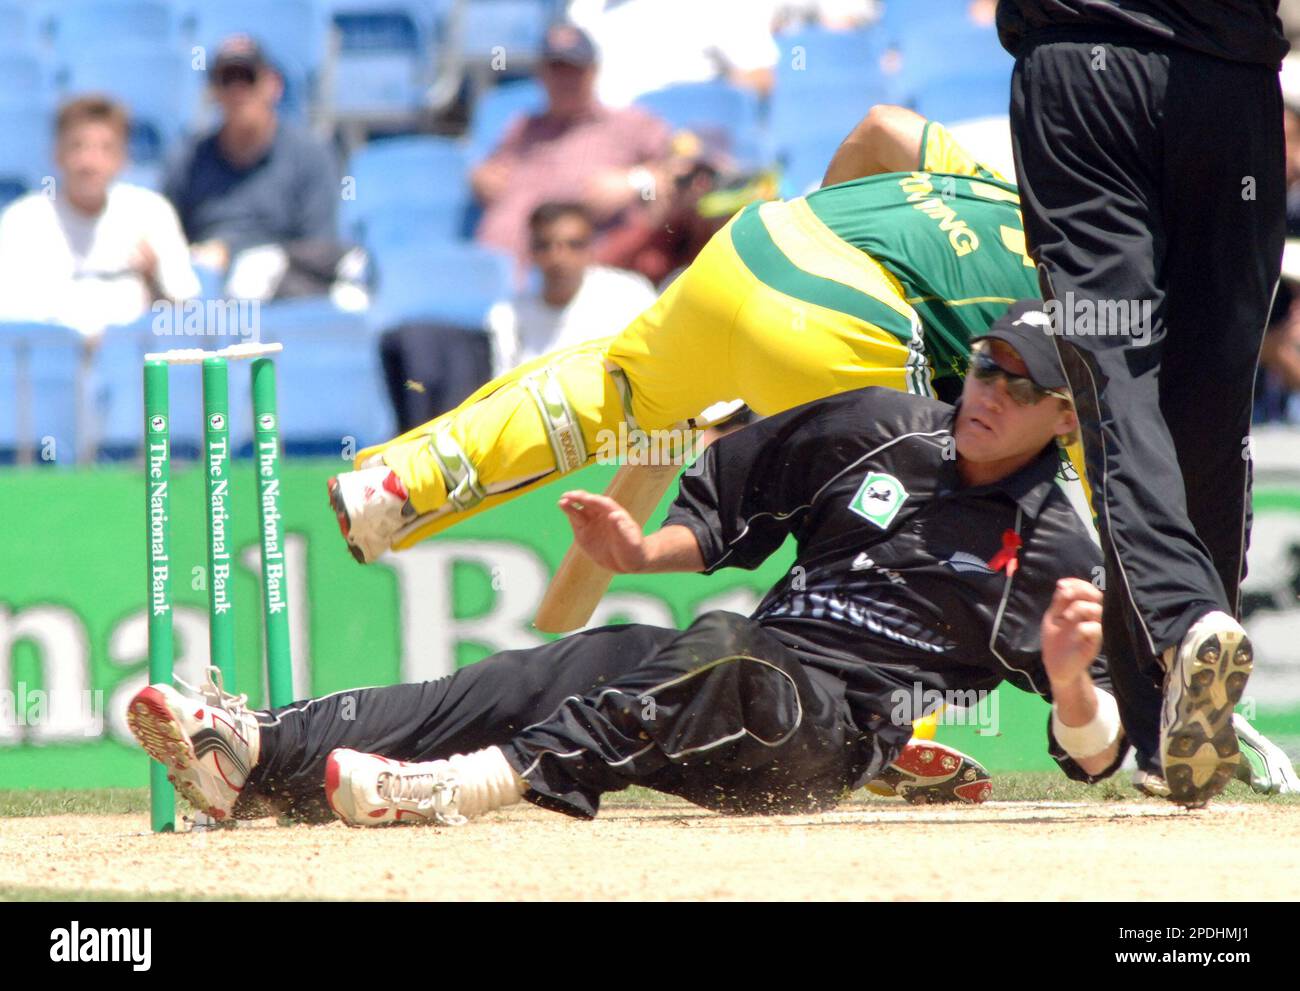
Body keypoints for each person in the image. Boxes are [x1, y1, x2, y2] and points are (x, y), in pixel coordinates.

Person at [127, 308, 1125, 826]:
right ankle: (256, 756)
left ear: (1065, 416)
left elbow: (1096, 751)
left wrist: (1073, 681)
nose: (986, 388)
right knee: (552, 667)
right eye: (984, 364)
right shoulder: (881, 428)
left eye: (1017, 382)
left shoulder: (1051, 548)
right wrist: (641, 550)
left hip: (828, 739)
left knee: (723, 653)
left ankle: (460, 789)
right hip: (728, 679)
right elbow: (732, 504)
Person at [326, 107, 1048, 566]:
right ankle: (880, 716)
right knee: (926, 499)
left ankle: (395, 484)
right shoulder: (1080, 304)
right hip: (848, 316)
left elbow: (879, 127)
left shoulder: (992, 189)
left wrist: (814, 247)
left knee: (615, 389)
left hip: (756, 247)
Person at [997, 0, 1287, 807]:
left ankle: (1186, 621)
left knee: (1118, 378)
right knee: (1209, 403)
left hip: (1082, 69)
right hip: (1231, 80)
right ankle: (1169, 721)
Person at [470, 23, 672, 271]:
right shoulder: (523, 126)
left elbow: (678, 173)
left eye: (574, 69)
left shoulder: (628, 124)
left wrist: (635, 181)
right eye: (556, 69)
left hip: (578, 277)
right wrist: (480, 177)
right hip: (501, 274)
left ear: (593, 71)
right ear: (541, 74)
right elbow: (490, 172)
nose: (565, 80)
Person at [0, 96, 199, 338]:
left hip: (134, 363)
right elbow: (11, 327)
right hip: (53, 365)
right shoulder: (22, 223)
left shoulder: (151, 213)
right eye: (77, 146)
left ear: (123, 158)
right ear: (57, 154)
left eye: (105, 148)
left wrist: (154, 281)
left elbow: (187, 318)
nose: (89, 162)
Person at [162, 36, 339, 277]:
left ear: (273, 85)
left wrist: (239, 259)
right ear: (213, 91)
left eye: (247, 77)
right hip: (204, 295)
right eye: (227, 79)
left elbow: (320, 247)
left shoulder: (310, 155)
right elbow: (166, 242)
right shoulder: (187, 159)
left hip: (286, 291)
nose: (238, 90)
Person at [493, 201, 658, 372]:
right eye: (545, 245)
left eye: (574, 244)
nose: (558, 257)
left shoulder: (630, 295)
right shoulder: (509, 316)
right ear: (531, 251)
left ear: (592, 248)